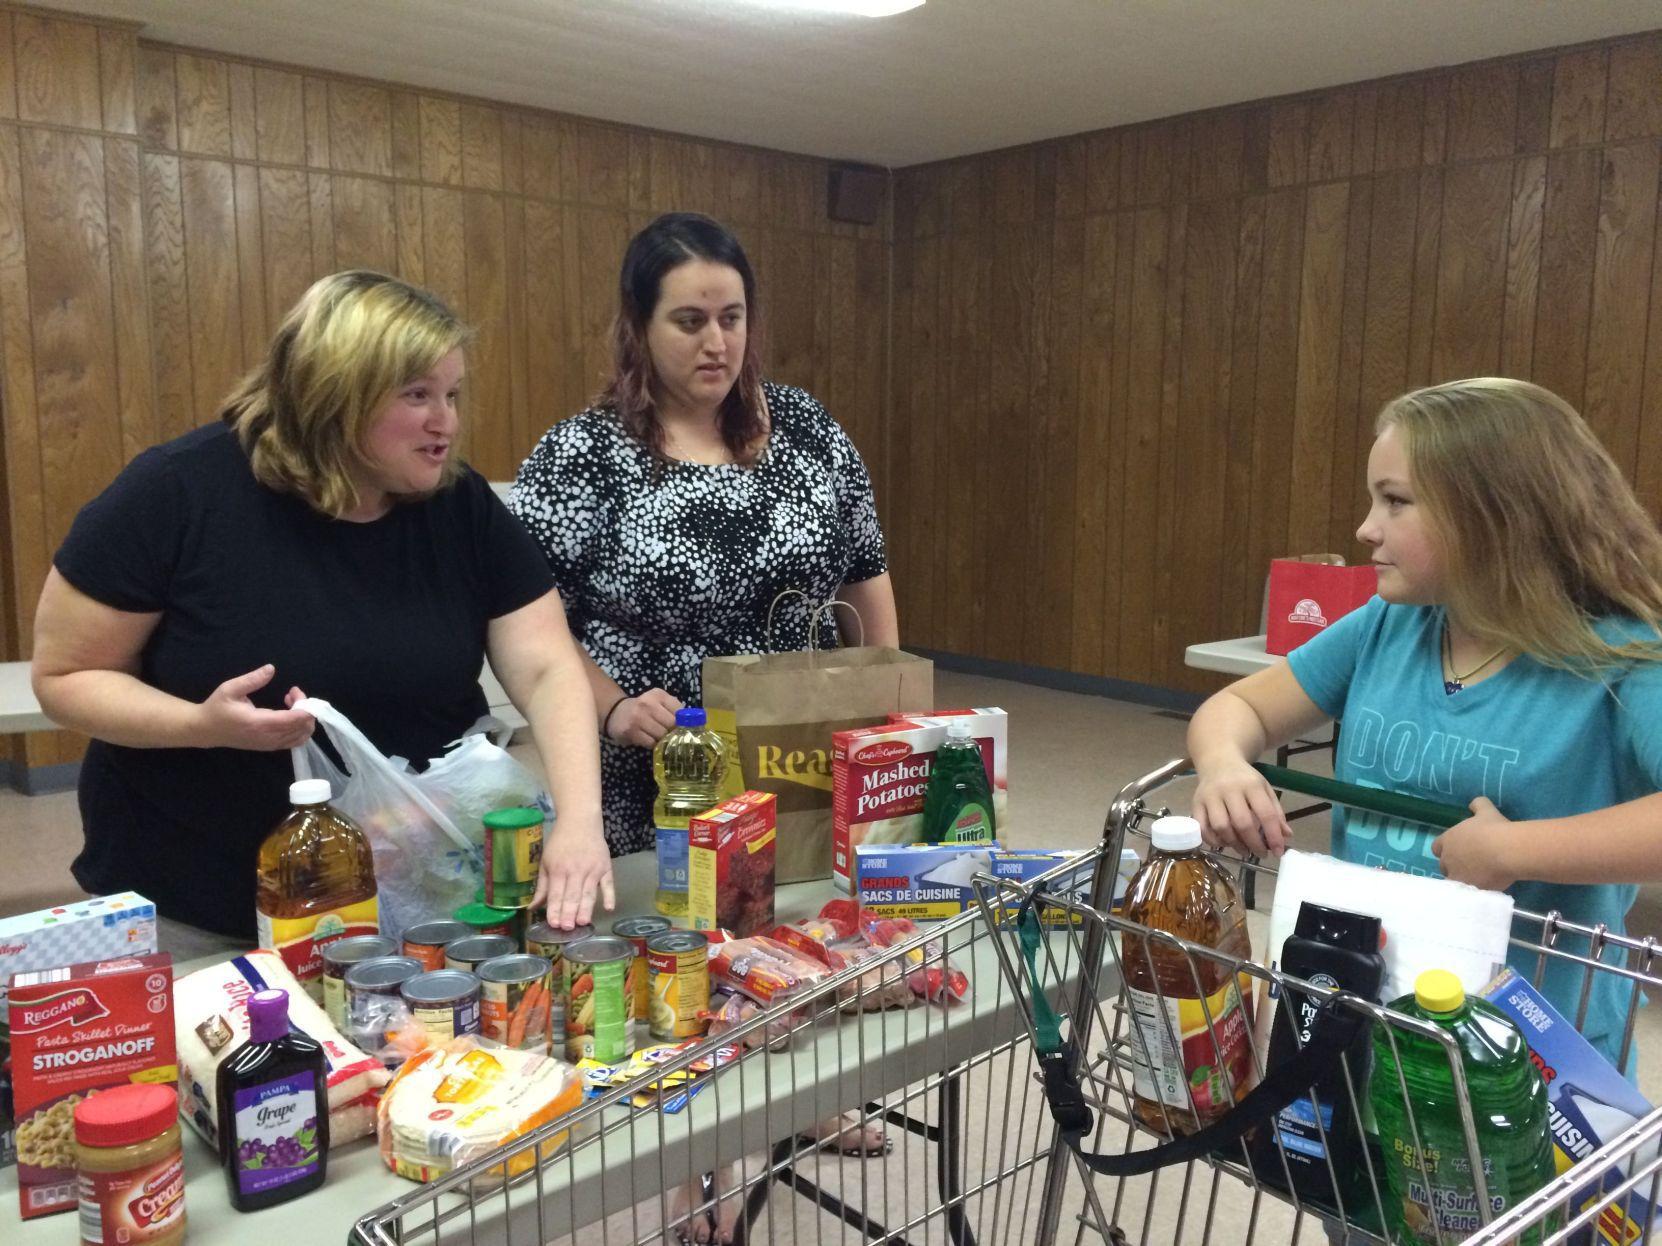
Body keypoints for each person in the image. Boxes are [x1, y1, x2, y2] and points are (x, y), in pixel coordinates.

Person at [509, 212, 898, 1241]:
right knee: (687, 960)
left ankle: (810, 1091)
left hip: (798, 741)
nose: (715, 343)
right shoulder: (583, 455)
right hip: (657, 757)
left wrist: (885, 707)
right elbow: (529, 625)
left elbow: (867, 570)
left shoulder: (808, 429)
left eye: (731, 317)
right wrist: (607, 702)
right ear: (636, 327)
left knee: (798, 930)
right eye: (687, 320)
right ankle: (694, 1167)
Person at [31, 270, 612, 948]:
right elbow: (64, 678)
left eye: (452, 394)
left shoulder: (459, 505)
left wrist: (579, 820)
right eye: (417, 394)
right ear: (336, 394)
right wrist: (199, 724)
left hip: (414, 891)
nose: (445, 422)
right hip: (199, 896)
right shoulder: (175, 494)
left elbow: (545, 665)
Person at [1188, 377, 1662, 1069]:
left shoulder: (1621, 655)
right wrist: (1225, 764)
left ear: (1495, 515)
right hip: (1370, 1009)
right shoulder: (1393, 622)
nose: (1365, 528)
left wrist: (1515, 851)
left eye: (1396, 502)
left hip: (1527, 1050)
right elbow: (1240, 707)